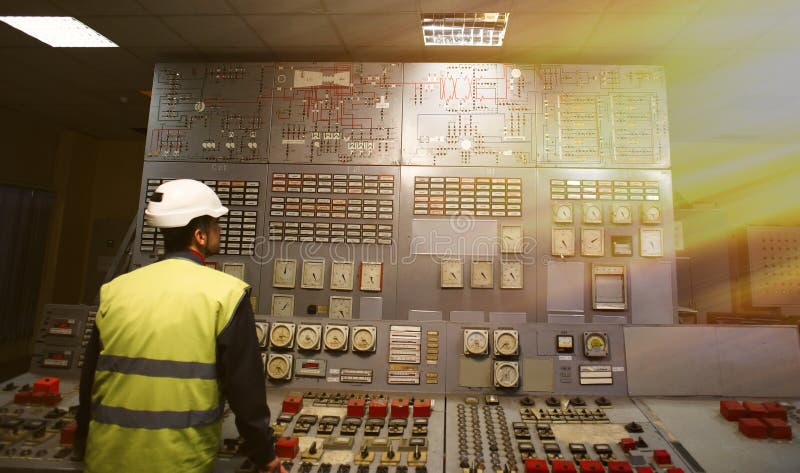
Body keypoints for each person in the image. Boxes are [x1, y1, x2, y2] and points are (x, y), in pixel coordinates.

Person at [74, 179, 286, 473]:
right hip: (180, 460)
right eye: (215, 225)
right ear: (200, 235)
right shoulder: (226, 294)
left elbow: (90, 381)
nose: (219, 232)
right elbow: (245, 391)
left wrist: (81, 440)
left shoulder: (116, 290)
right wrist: (264, 455)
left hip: (106, 458)